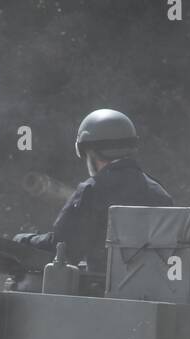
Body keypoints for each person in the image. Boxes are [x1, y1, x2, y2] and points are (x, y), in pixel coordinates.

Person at [14, 109, 173, 278]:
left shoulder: (93, 190)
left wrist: (23, 240)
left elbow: (61, 250)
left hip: (101, 294)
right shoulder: (160, 193)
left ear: (89, 151)